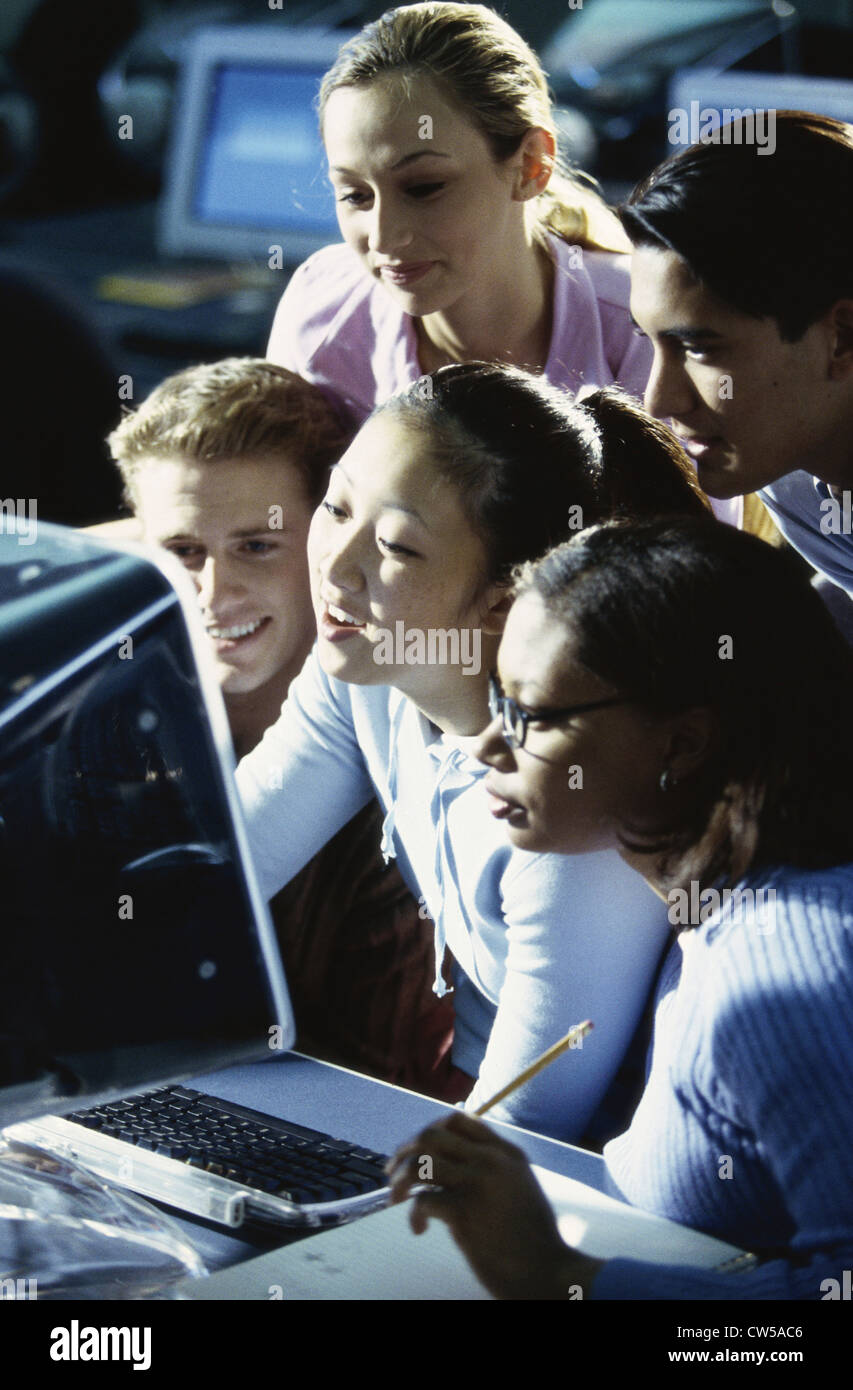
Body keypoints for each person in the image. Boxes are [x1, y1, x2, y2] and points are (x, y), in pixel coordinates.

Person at [236, 361, 712, 1143]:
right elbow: (216, 874)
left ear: (500, 600)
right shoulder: (368, 671)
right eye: (336, 506)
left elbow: (528, 1126)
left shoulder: (574, 800)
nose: (335, 566)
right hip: (482, 1124)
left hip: (610, 1164)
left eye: (395, 545)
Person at [387, 515, 853, 1299]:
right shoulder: (707, 911)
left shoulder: (776, 973)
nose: (488, 747)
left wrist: (560, 1278)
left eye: (530, 716)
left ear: (681, 744)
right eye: (495, 697)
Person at [107, 357, 456, 1094]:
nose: (215, 592)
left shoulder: (393, 792)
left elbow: (376, 1102)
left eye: (256, 546)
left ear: (330, 542)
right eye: (183, 551)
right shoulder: (99, 739)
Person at [268, 3, 649, 415]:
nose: (384, 238)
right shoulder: (320, 313)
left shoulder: (642, 328)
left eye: (424, 188)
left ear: (530, 165)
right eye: (355, 196)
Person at [621, 110, 853, 596]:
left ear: (843, 337)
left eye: (699, 348)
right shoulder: (789, 477)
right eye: (650, 339)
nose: (659, 402)